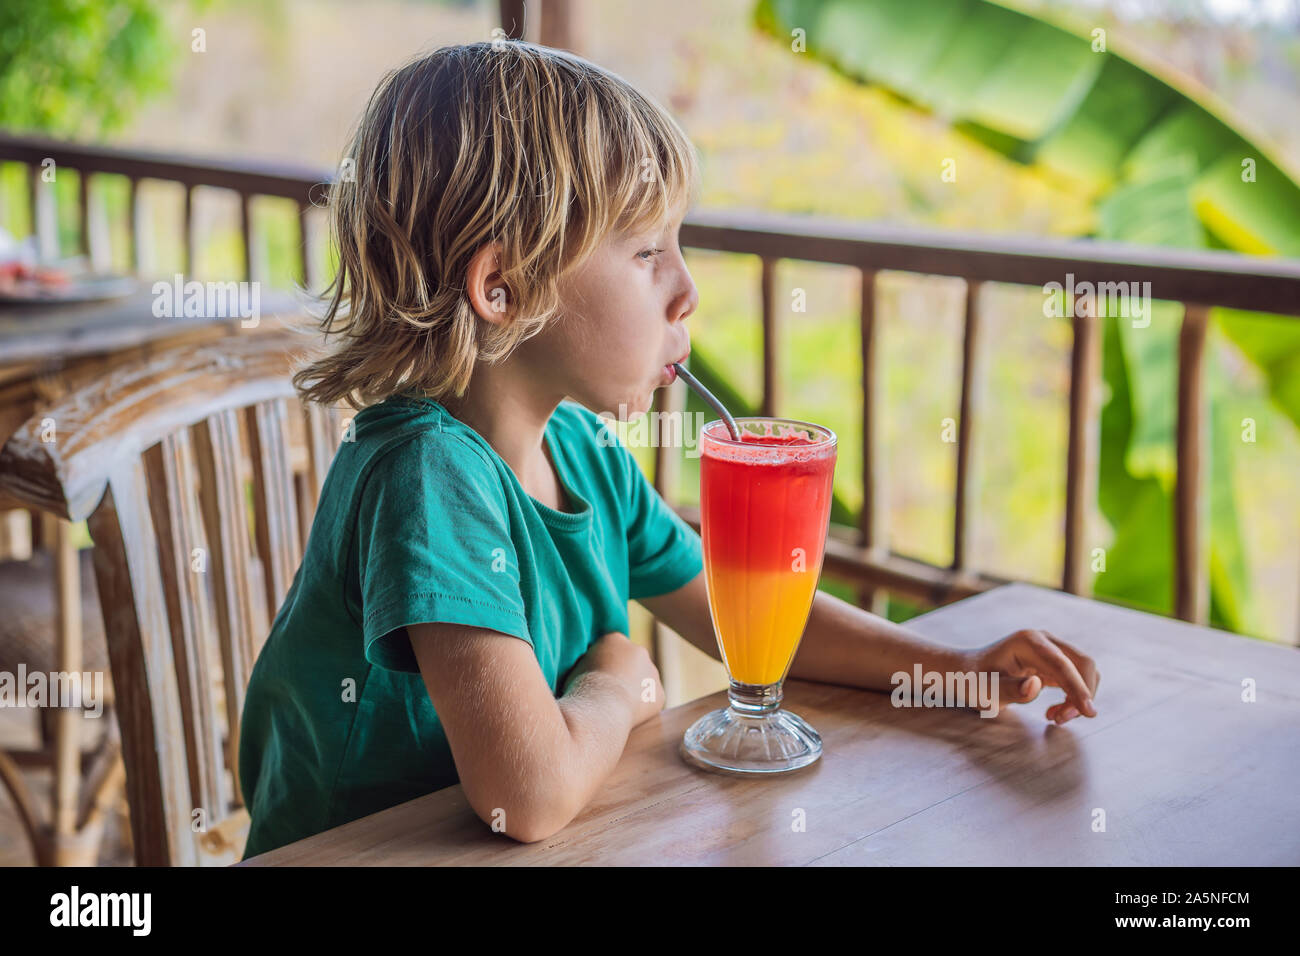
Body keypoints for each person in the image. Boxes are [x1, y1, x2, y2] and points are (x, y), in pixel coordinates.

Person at [238, 40, 1100, 860]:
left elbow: (751, 627)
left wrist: (953, 670)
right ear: (502, 285)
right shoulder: (428, 474)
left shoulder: (582, 453)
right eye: (649, 250)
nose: (687, 291)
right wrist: (623, 679)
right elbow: (528, 797)